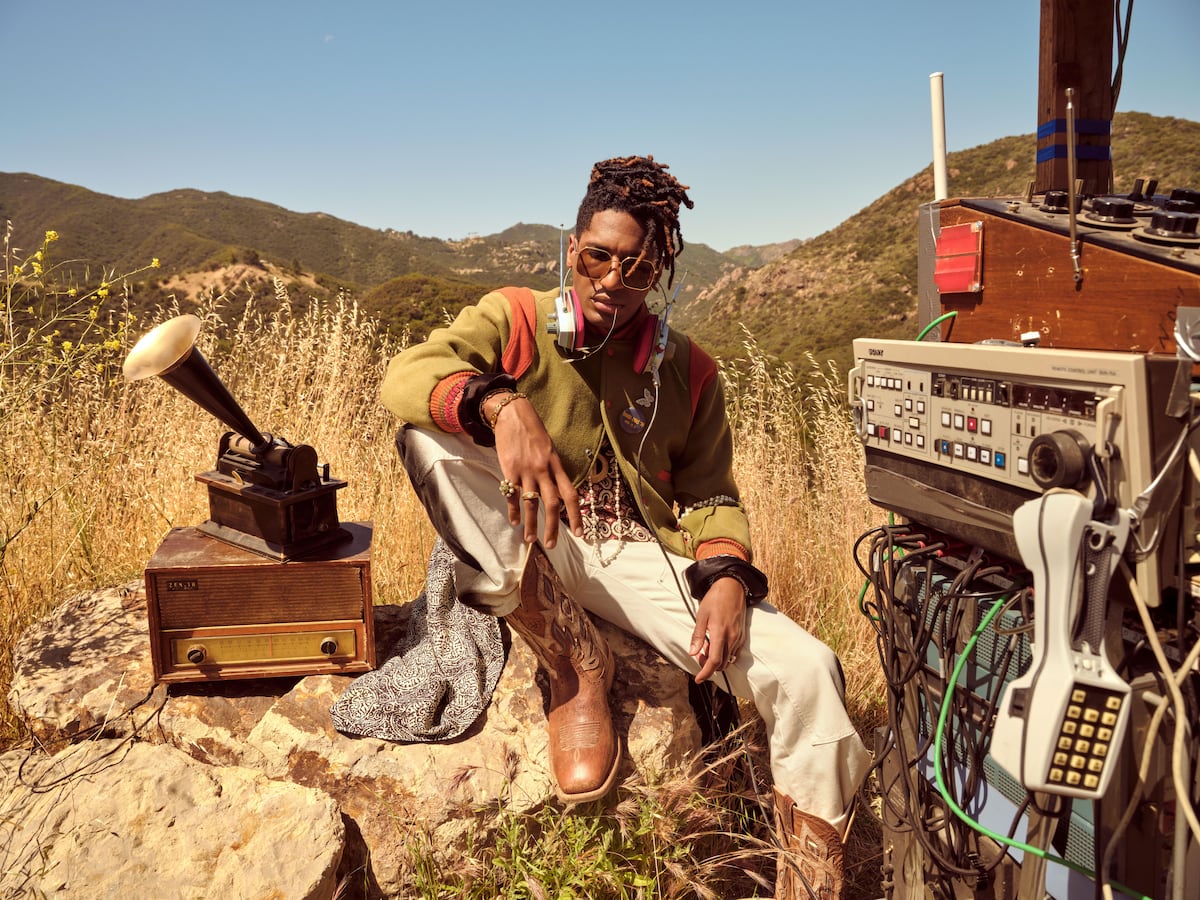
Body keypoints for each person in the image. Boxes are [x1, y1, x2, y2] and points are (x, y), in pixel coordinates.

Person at [380, 155, 871, 898]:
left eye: (637, 268)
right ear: (570, 249)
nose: (612, 280)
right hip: (530, 537)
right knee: (425, 438)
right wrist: (501, 405)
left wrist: (727, 577)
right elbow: (408, 376)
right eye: (596, 258)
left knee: (809, 671)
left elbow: (710, 493)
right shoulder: (515, 317)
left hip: (637, 553)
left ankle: (810, 883)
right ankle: (575, 666)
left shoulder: (691, 370)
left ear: (660, 274)